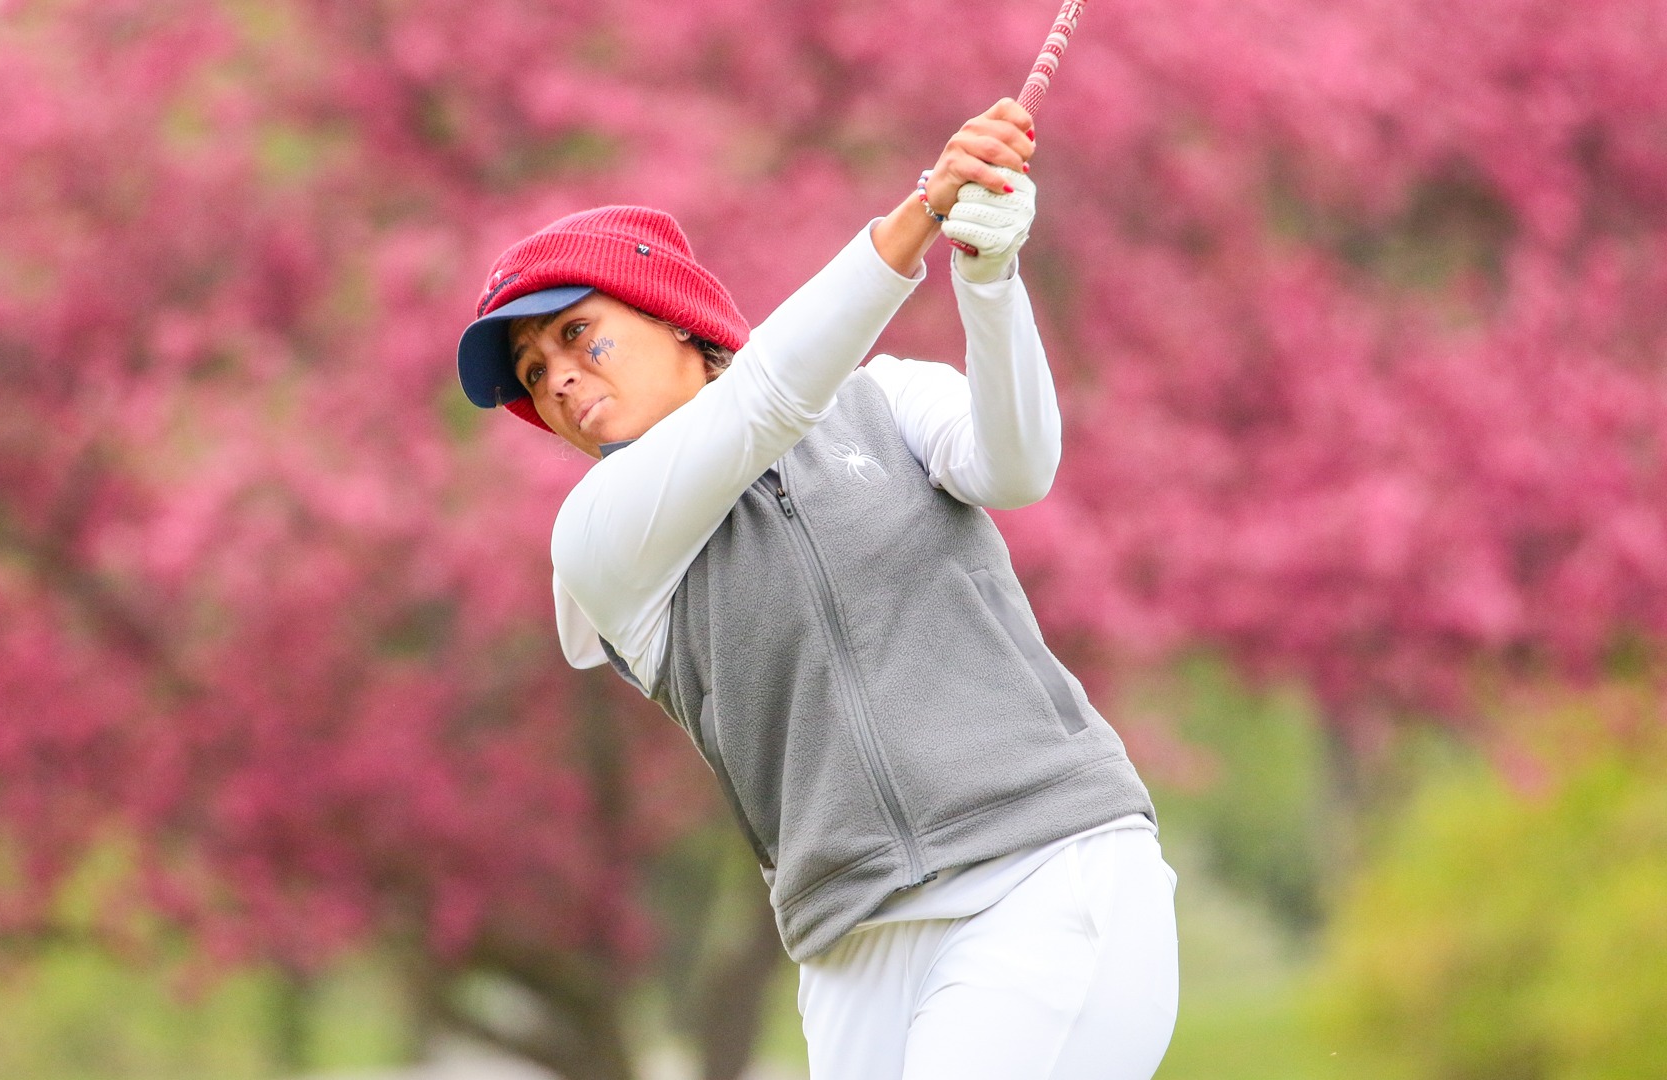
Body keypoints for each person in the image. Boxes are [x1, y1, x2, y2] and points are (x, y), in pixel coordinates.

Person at [455, 98, 1179, 1080]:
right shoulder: (598, 542)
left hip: (1046, 868)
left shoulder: (886, 399)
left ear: (674, 318)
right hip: (852, 950)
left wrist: (990, 276)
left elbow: (1017, 469)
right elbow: (767, 398)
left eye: (583, 336)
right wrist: (923, 210)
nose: (562, 383)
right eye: (535, 375)